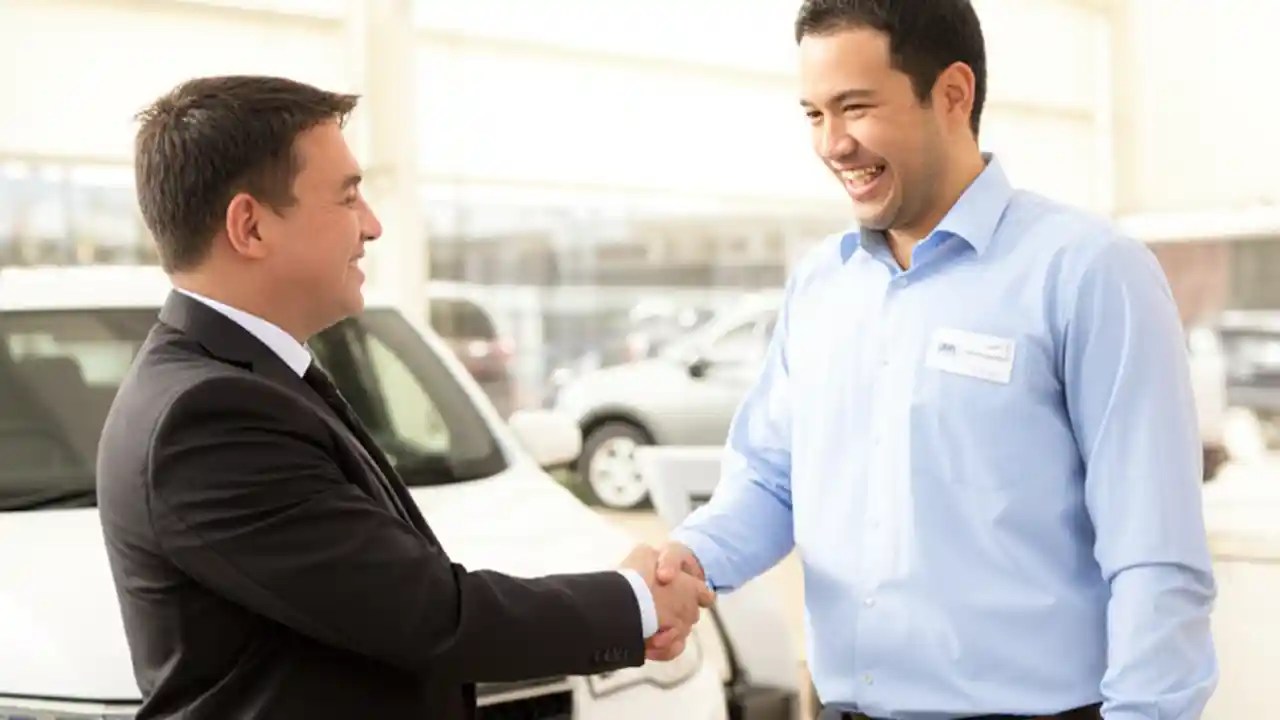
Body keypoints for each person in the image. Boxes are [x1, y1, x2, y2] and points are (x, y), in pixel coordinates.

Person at [646, 1, 1218, 719]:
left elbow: (1155, 551)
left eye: (855, 107)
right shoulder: (822, 284)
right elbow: (770, 479)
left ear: (952, 94)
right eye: (814, 114)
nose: (833, 144)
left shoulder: (1089, 272)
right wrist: (687, 562)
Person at [95, 75, 712, 720]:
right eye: (348, 196)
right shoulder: (209, 419)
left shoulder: (236, 381)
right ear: (249, 226)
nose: (373, 225)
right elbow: (428, 616)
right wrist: (634, 601)